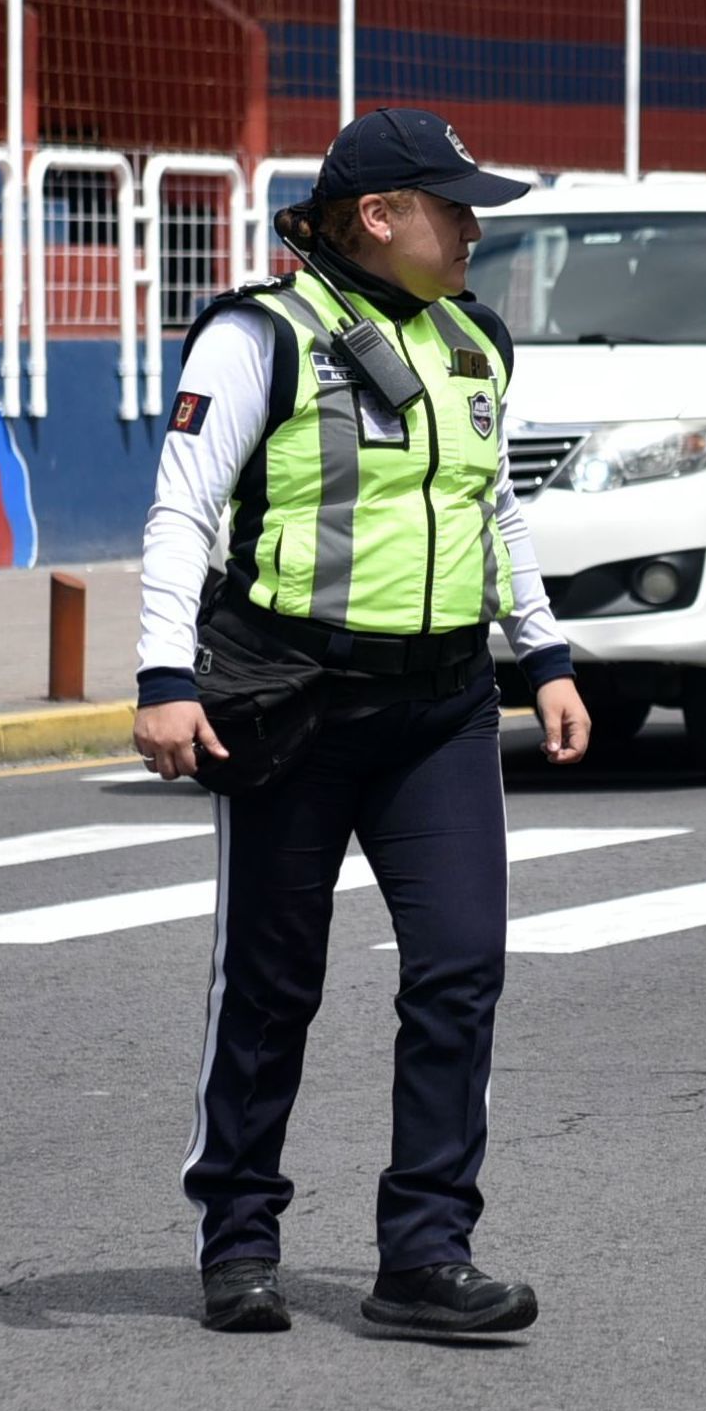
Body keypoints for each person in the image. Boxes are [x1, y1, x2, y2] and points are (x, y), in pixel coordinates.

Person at [134, 105, 593, 1337]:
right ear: (377, 217)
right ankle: (239, 1238)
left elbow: (492, 508)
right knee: (273, 983)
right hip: (294, 700)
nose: (474, 228)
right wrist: (163, 678)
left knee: (461, 969)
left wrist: (540, 651)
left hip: (441, 705)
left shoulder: (474, 342)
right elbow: (183, 509)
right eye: (454, 208)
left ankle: (426, 1251)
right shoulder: (257, 338)